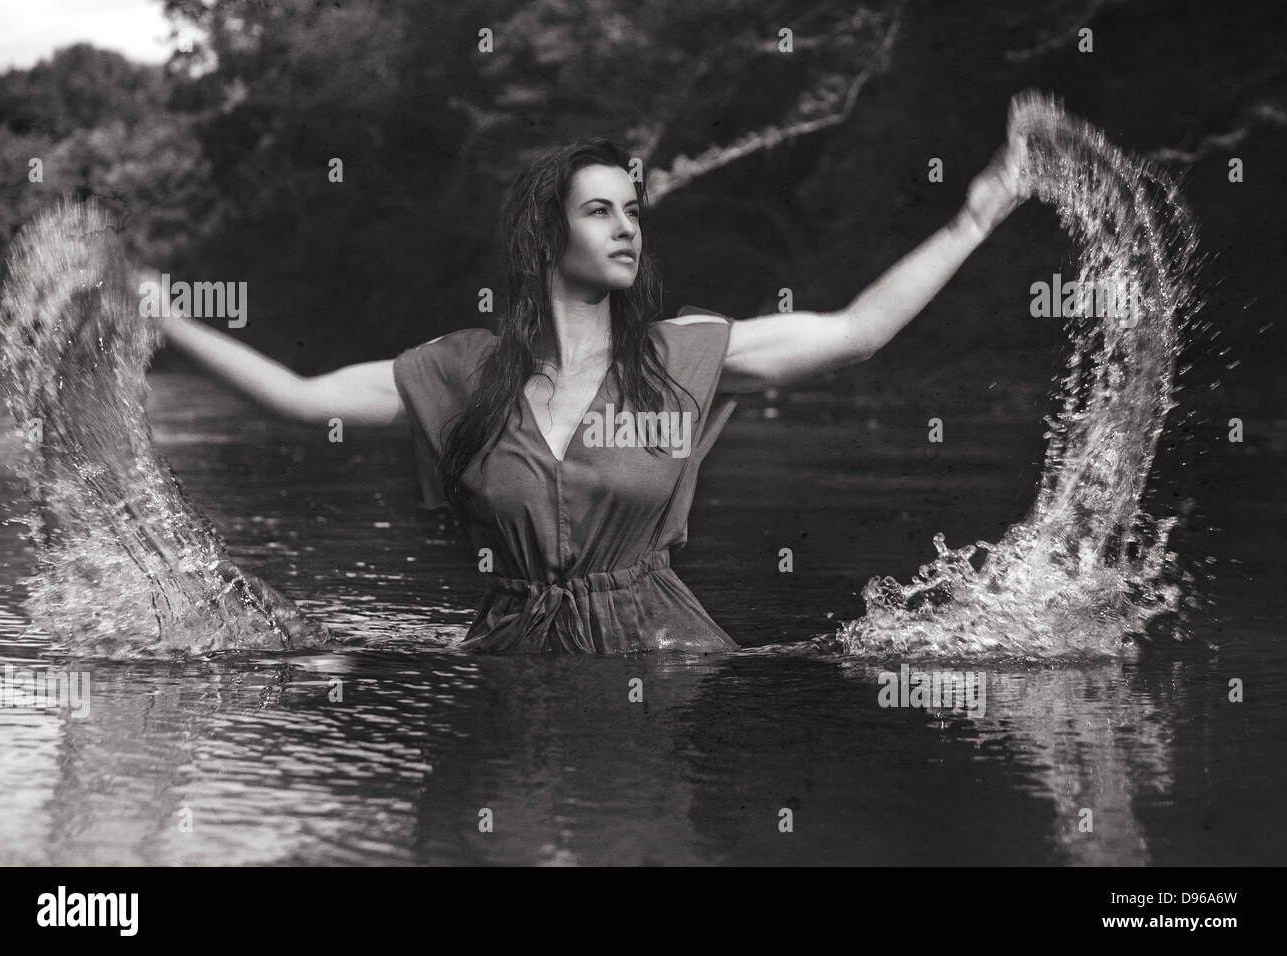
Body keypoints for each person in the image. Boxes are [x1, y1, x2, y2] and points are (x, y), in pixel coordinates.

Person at [153, 137, 1024, 654]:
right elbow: (301, 399)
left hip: (657, 658)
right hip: (512, 659)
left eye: (633, 212)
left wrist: (975, 218)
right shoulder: (461, 373)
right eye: (600, 211)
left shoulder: (682, 355)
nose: (627, 228)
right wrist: (168, 315)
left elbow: (858, 331)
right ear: (546, 233)